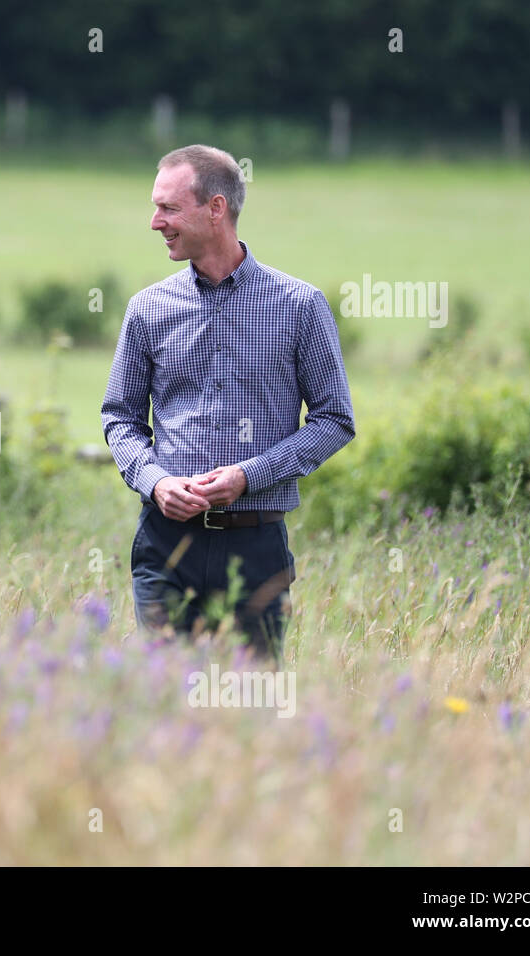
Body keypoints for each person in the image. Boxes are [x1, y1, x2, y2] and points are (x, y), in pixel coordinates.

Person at [101, 144, 355, 663]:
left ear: (215, 209)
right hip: (165, 546)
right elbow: (120, 418)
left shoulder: (299, 306)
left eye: (169, 209)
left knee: (252, 706)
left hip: (256, 546)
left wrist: (250, 476)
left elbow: (334, 420)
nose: (155, 222)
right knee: (164, 700)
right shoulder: (147, 309)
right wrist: (156, 482)